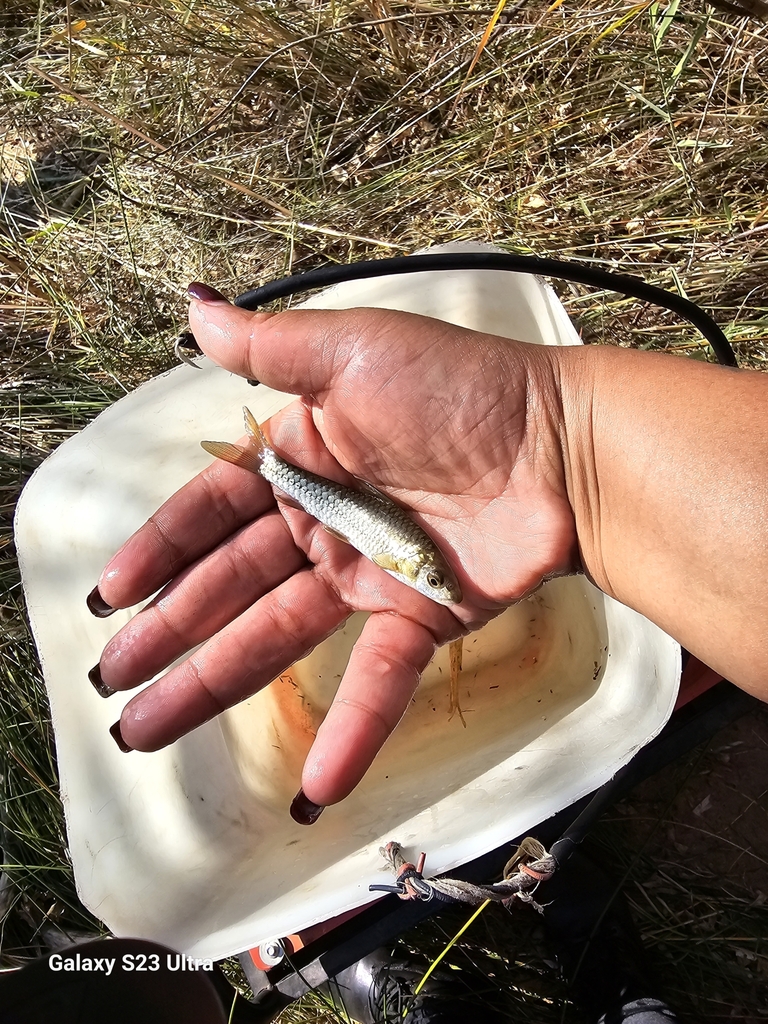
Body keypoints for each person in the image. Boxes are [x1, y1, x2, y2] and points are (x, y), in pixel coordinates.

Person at [83, 283, 767, 1022]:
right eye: (435, 579)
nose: (439, 588)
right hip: (328, 487)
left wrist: (566, 442)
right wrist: (566, 443)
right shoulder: (406, 551)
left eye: (436, 580)